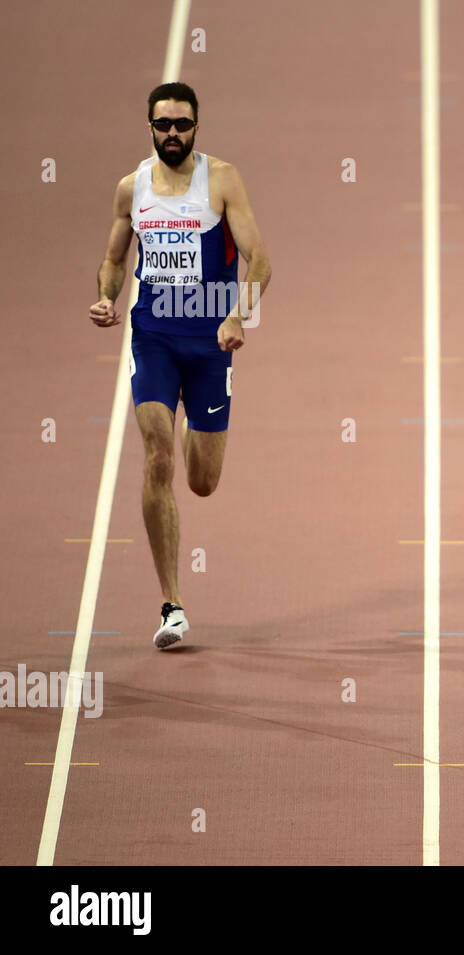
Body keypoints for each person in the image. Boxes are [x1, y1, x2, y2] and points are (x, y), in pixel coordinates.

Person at [88, 82, 270, 649]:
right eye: (164, 124)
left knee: (203, 481)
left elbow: (260, 261)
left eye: (183, 124)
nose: (174, 134)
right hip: (156, 338)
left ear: (197, 126)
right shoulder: (131, 189)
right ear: (149, 127)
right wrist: (107, 296)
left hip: (212, 341)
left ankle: (196, 418)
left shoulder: (222, 180)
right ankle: (173, 605)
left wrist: (239, 316)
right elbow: (115, 258)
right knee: (158, 454)